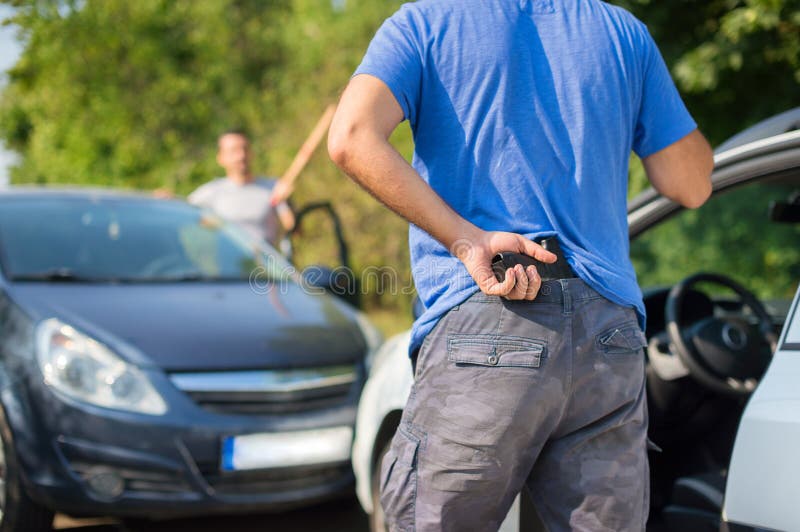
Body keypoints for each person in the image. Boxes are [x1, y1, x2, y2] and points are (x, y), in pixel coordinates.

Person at [328, 0, 714, 530]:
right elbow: (690, 185)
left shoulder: (426, 22)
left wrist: (466, 241)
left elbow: (351, 137)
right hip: (609, 336)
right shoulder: (624, 34)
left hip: (489, 319)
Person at [188, 129, 295, 248]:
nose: (241, 155)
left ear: (251, 153)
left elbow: (294, 231)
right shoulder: (211, 192)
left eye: (245, 148)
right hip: (228, 264)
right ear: (220, 158)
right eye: (233, 151)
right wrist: (165, 199)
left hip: (265, 263)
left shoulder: (273, 187)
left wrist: (288, 201)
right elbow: (180, 209)